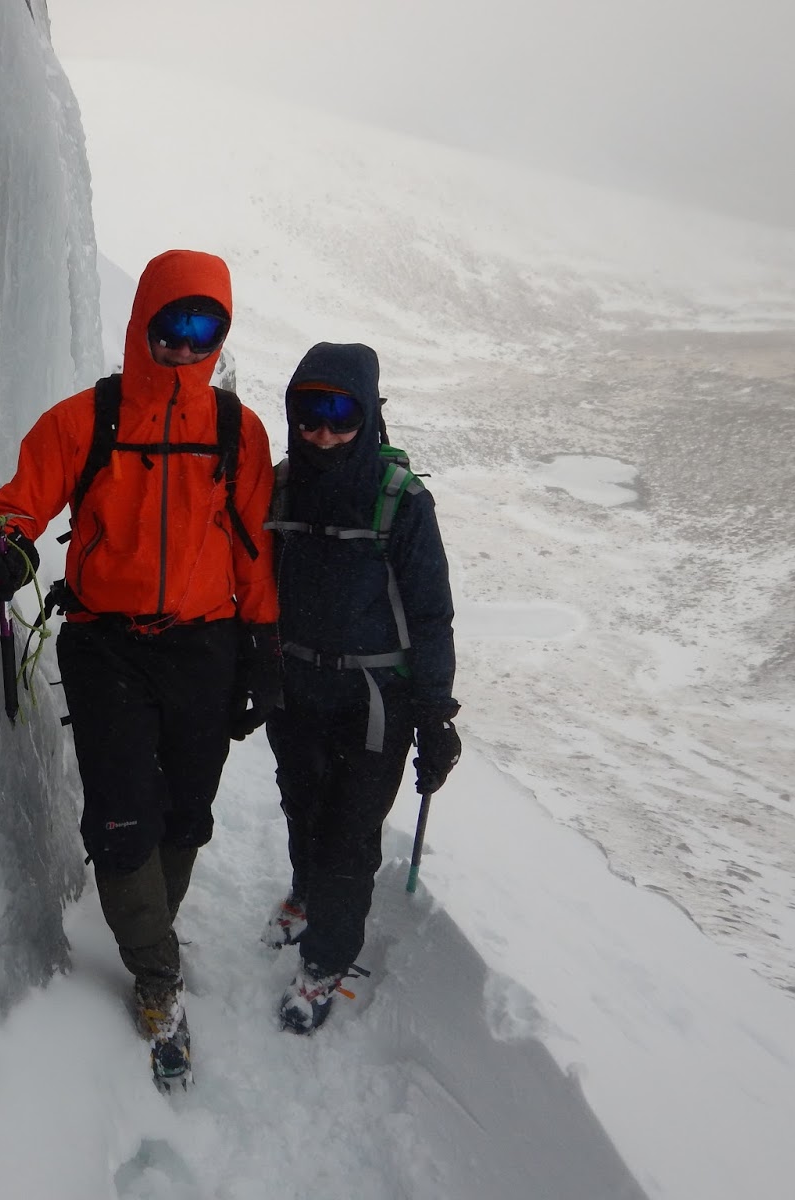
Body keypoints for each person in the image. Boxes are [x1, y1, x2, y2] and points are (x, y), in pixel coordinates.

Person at [0, 249, 281, 1086]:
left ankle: (152, 927)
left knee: (187, 810)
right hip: (107, 642)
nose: (184, 346)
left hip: (205, 646)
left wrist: (262, 647)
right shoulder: (89, 419)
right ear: (143, 322)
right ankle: (156, 975)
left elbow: (254, 549)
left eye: (203, 329)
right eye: (170, 327)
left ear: (220, 336)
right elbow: (26, 497)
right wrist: (10, 545)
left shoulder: (237, 431)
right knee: (121, 817)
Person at [260, 342, 462, 1033]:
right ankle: (305, 891)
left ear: (369, 416)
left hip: (374, 701)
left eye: (341, 416)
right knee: (302, 803)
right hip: (296, 685)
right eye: (309, 414)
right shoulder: (280, 487)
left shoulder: (402, 502)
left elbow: (430, 613)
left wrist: (435, 714)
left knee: (349, 834)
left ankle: (324, 962)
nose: (323, 433)